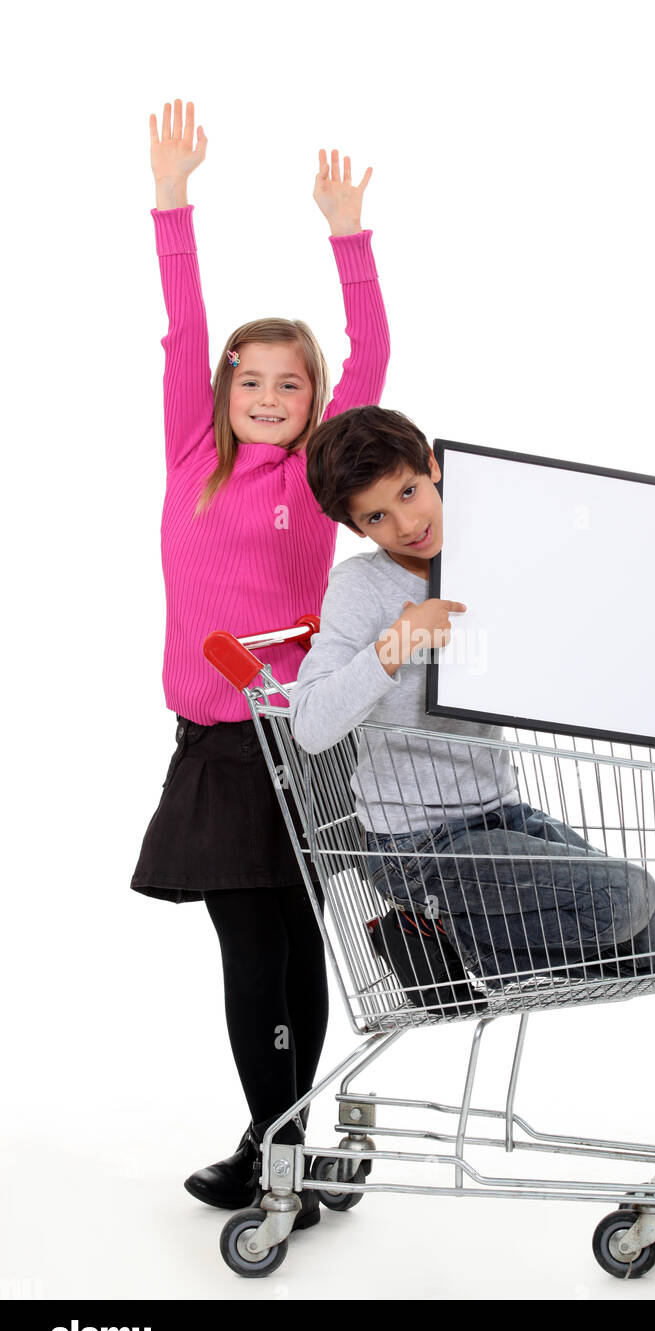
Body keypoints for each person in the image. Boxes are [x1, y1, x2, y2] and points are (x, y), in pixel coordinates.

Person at [130, 101, 389, 1225]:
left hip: (287, 742)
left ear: (314, 399)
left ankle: (272, 1146)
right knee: (265, 945)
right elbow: (185, 328)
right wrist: (173, 201)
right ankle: (286, 1141)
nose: (269, 398)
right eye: (252, 383)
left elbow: (372, 357)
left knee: (274, 946)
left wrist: (349, 240)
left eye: (291, 384)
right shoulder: (193, 452)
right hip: (206, 746)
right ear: (225, 393)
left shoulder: (313, 482)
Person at [289, 407, 655, 991]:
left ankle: (475, 938)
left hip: (501, 812)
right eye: (378, 515)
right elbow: (309, 725)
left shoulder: (492, 558)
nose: (406, 523)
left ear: (433, 467)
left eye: (409, 491)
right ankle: (441, 934)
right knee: (623, 899)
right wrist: (394, 645)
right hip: (419, 845)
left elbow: (609, 641)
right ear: (356, 528)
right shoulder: (360, 587)